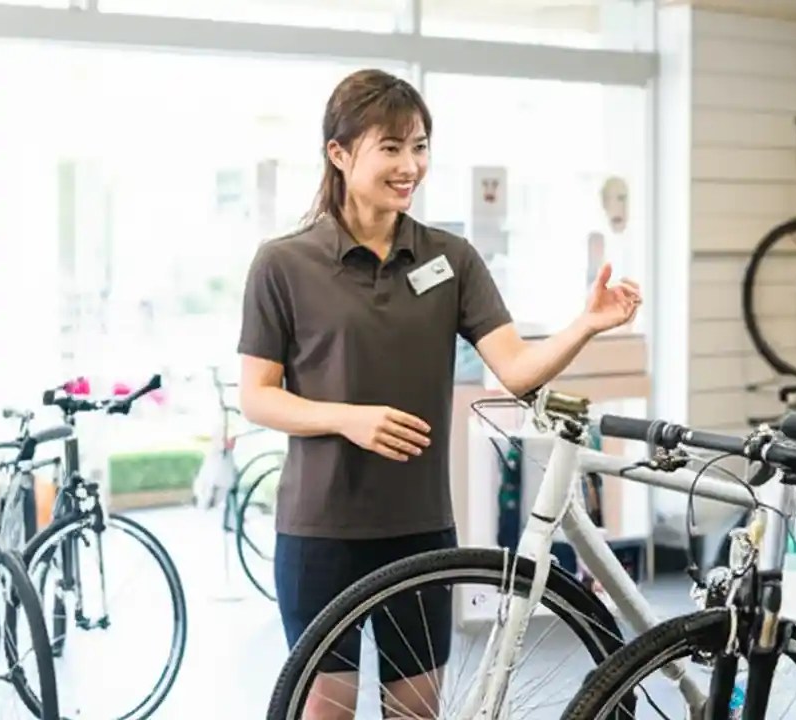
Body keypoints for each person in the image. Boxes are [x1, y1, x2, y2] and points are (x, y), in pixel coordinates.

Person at [236, 68, 641, 719]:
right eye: (391, 147)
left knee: (416, 712)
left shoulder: (451, 258)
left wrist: (587, 324)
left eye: (419, 146)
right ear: (339, 154)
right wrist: (347, 419)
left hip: (420, 527)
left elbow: (515, 368)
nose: (410, 165)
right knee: (326, 710)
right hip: (320, 530)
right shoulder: (284, 263)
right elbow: (257, 395)